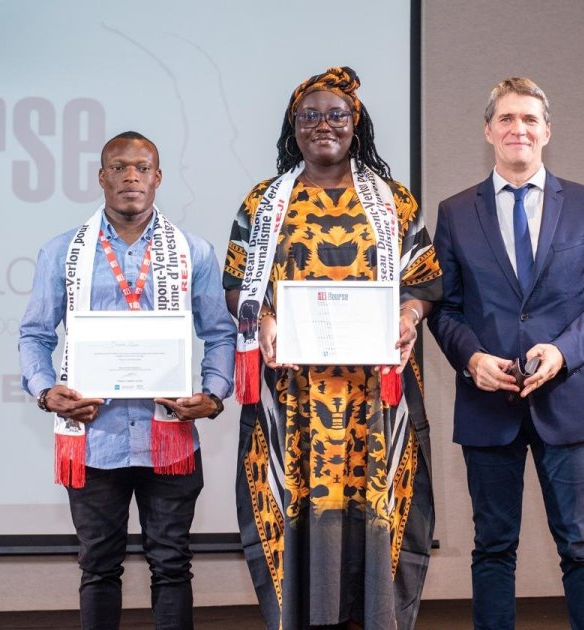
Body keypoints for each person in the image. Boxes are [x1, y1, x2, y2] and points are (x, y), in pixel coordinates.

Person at [224, 66, 440, 630]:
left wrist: (410, 314)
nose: (324, 125)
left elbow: (422, 280)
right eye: (310, 116)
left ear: (356, 124)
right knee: (299, 517)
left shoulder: (394, 202)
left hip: (374, 401)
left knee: (377, 517)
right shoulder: (263, 202)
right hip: (295, 397)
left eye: (337, 115)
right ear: (293, 129)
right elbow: (236, 285)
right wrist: (264, 318)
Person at [428, 77, 584, 630]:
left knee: (582, 547)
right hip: (486, 406)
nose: (518, 128)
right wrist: (472, 360)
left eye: (529, 120)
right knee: (492, 549)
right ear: (488, 131)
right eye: (507, 119)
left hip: (568, 405)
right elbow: (443, 310)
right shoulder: (453, 212)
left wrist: (564, 352)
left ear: (547, 131)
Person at [18, 131, 236, 629]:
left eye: (142, 167)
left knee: (173, 566)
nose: (131, 176)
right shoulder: (62, 252)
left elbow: (220, 333)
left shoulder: (194, 252)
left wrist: (214, 394)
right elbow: (34, 333)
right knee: (97, 569)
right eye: (118, 167)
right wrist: (45, 391)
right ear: (102, 178)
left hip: (171, 437)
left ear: (158, 178)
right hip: (95, 440)